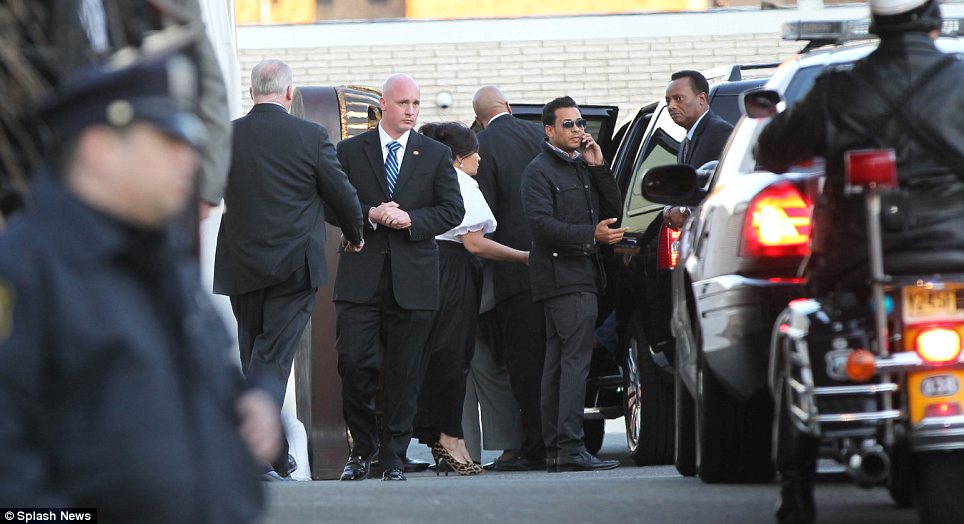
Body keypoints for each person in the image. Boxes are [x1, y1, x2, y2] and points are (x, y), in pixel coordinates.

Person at [0, 54, 280, 522]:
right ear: (99, 150)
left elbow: (214, 381)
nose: (190, 159)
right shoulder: (26, 270)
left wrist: (259, 399)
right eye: (170, 140)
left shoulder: (160, 263)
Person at [755, 1, 964, 521]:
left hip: (862, 260)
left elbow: (771, 153)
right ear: (935, 22)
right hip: (959, 258)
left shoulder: (838, 87)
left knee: (796, 333)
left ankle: (796, 489)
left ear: (877, 25)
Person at [213, 59, 365, 479]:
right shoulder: (311, 135)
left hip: (241, 263)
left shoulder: (226, 136)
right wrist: (354, 233)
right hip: (294, 265)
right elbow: (343, 194)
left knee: (256, 358)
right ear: (287, 93)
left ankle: (274, 454)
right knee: (271, 361)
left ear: (251, 92)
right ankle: (257, 454)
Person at [333, 73, 464, 481]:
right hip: (361, 277)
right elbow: (329, 202)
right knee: (354, 364)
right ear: (383, 106)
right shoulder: (351, 151)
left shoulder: (436, 153)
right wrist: (369, 213)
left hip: (415, 278)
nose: (410, 111)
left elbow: (452, 210)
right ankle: (362, 450)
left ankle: (393, 457)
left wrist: (411, 219)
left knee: (405, 373)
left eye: (416, 104)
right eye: (403, 103)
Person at [412, 122, 528, 476]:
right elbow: (474, 243)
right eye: (474, 151)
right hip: (456, 271)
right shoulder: (461, 183)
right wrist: (525, 257)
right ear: (459, 158)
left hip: (429, 267)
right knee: (454, 355)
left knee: (438, 355)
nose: (480, 158)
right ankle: (450, 438)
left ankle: (447, 437)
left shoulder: (425, 179)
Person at [521, 96, 627, 472]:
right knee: (572, 364)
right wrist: (591, 235)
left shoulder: (582, 166)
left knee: (560, 364)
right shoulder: (539, 171)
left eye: (580, 123)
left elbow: (613, 211)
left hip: (582, 275)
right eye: (569, 124)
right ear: (549, 130)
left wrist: (599, 168)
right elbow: (542, 226)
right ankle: (569, 446)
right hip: (562, 279)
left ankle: (557, 449)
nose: (578, 130)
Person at [471, 85, 550, 470]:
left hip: (512, 270)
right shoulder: (542, 134)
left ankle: (534, 444)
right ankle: (563, 440)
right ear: (509, 107)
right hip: (558, 262)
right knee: (559, 358)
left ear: (479, 116)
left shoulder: (481, 146)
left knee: (524, 362)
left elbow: (481, 215)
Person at [662, 70, 734, 229]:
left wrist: (684, 211)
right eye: (668, 100)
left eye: (678, 99)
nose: (671, 106)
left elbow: (724, 188)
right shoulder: (685, 142)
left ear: (701, 98)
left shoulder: (719, 132)